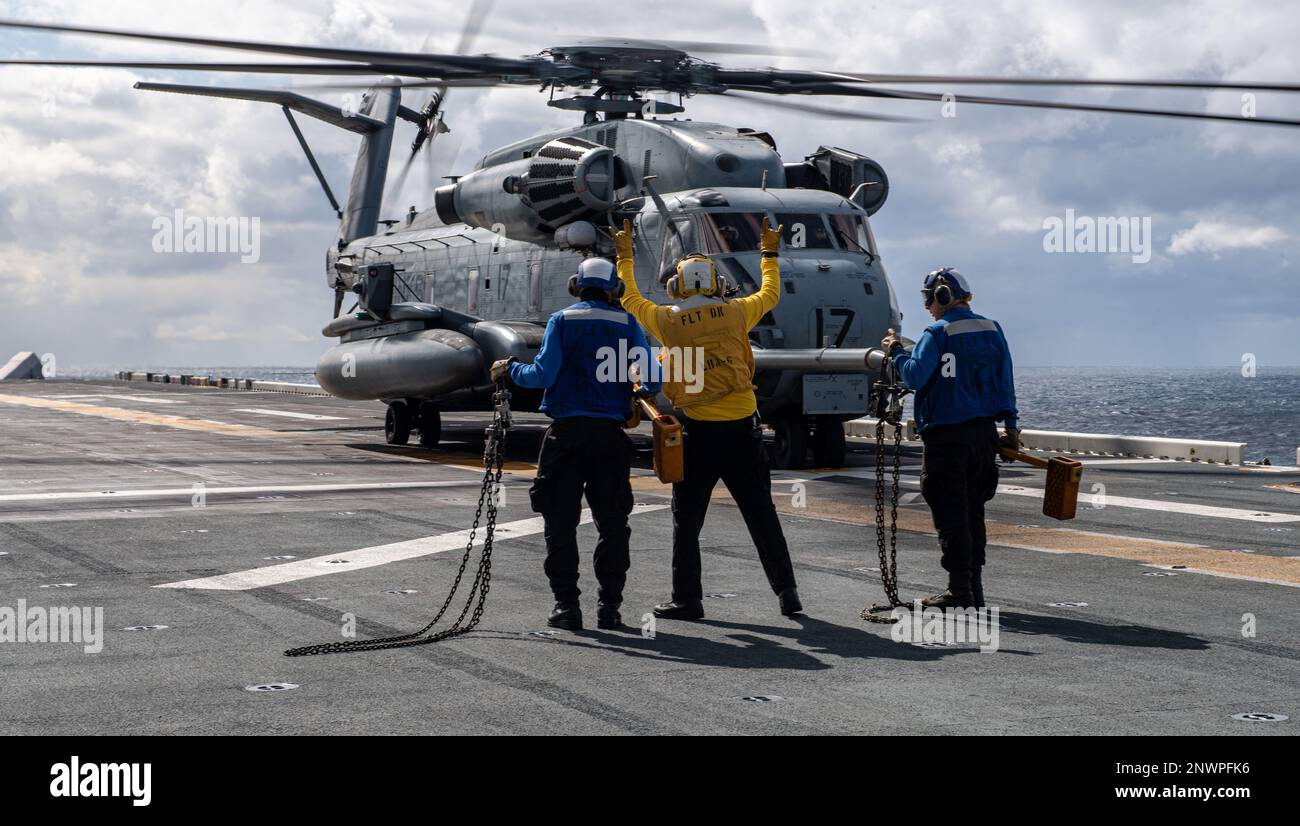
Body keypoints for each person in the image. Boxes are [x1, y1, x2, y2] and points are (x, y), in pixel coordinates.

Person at [614, 217, 801, 621]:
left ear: (676, 288)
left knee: (688, 521)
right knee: (761, 515)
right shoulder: (736, 313)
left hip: (697, 434)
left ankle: (688, 600)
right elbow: (771, 292)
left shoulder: (667, 321)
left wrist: (625, 257)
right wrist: (769, 252)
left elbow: (630, 298)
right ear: (717, 283)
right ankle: (787, 593)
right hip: (743, 431)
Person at [490, 257, 659, 631]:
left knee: (560, 522)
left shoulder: (562, 320)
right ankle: (610, 607)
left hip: (566, 437)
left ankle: (567, 606)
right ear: (615, 288)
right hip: (610, 439)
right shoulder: (628, 323)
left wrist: (511, 369)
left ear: (576, 285)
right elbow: (653, 380)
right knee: (613, 524)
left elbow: (543, 375)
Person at [881, 267, 1019, 609]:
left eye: (929, 300)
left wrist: (896, 350)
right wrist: (1012, 428)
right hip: (985, 438)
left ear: (941, 296)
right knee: (974, 514)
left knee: (952, 516)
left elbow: (913, 376)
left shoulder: (937, 332)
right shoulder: (992, 328)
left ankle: (959, 592)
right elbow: (1006, 382)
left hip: (947, 441)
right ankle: (974, 589)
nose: (928, 307)